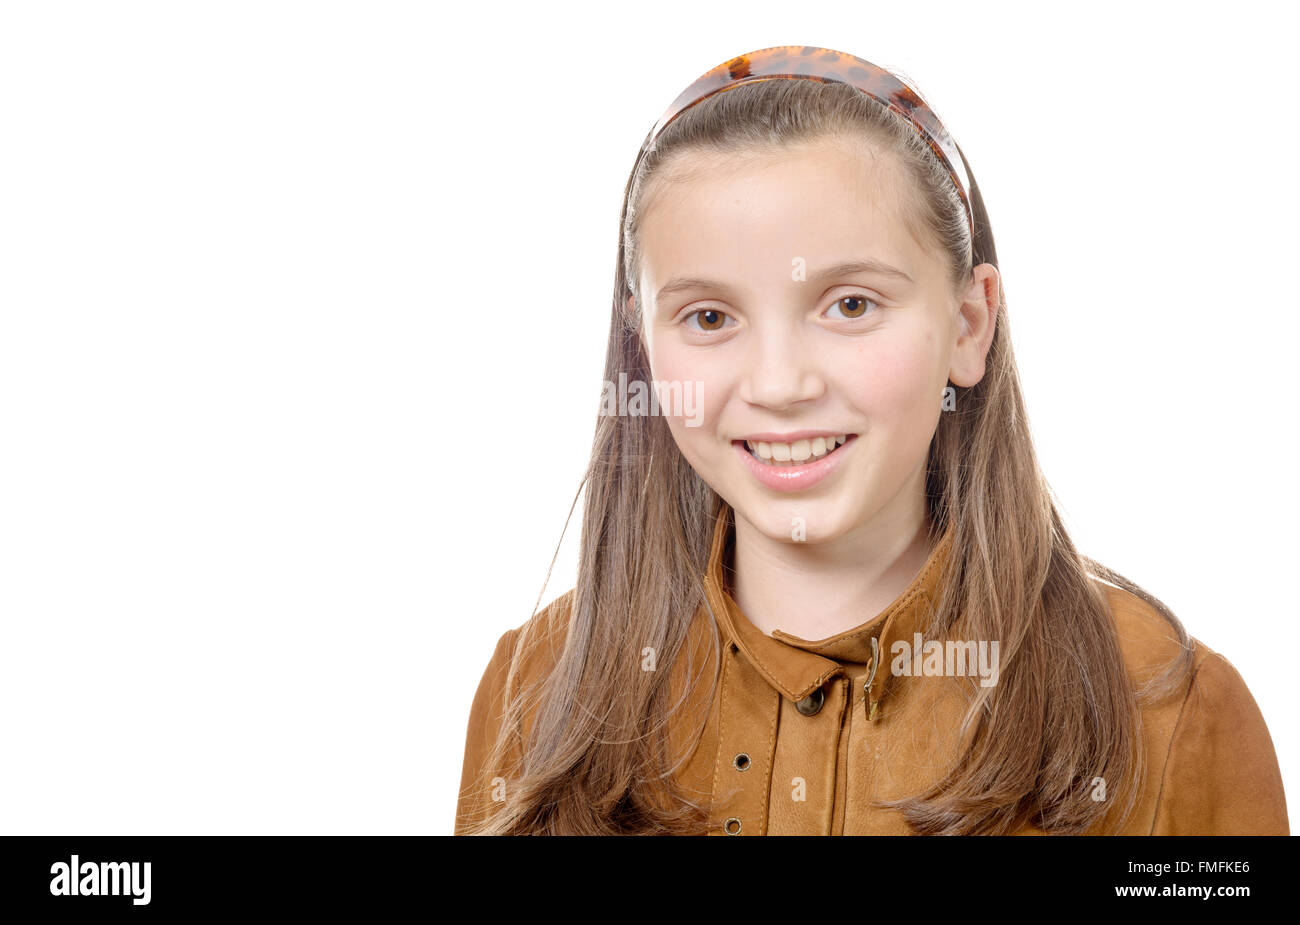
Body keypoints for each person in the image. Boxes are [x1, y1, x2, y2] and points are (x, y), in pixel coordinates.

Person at [454, 46, 1288, 835]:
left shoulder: (1173, 709)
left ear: (968, 323)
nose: (779, 385)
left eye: (850, 304)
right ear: (644, 343)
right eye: (709, 317)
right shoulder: (534, 692)